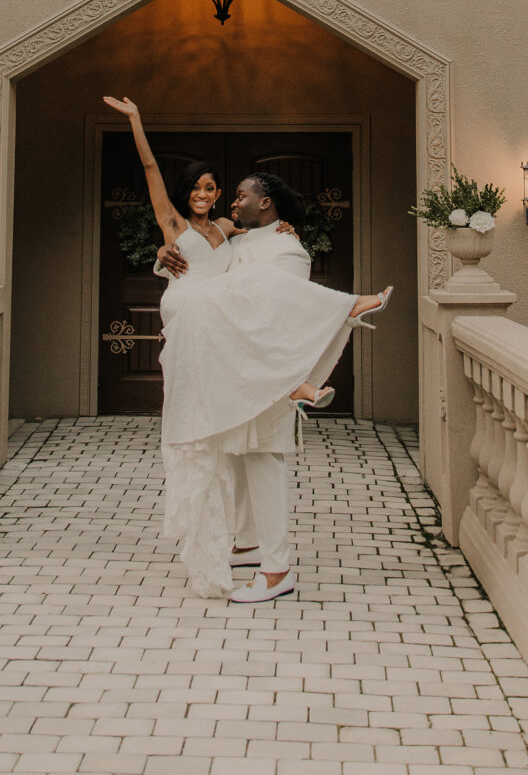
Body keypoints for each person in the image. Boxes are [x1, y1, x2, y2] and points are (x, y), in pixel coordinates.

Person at [101, 96, 392, 600]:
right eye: (197, 187)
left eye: (213, 188)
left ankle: (299, 376)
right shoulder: (175, 226)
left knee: (242, 303)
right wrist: (135, 122)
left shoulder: (234, 234)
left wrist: (285, 225)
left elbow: (263, 268)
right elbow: (150, 168)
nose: (207, 194)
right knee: (229, 300)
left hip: (217, 324)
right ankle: (327, 335)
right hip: (190, 310)